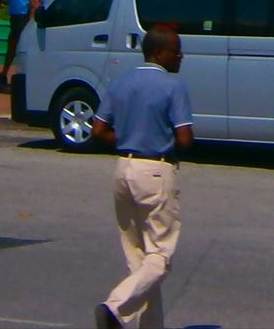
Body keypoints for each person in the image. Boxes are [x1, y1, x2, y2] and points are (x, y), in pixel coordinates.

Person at [90, 26, 193, 329]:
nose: (180, 56)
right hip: (156, 170)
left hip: (124, 167)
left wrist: (127, 137)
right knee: (160, 256)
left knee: (139, 259)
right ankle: (115, 307)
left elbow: (97, 130)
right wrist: (160, 140)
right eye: (176, 50)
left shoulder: (121, 82)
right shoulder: (173, 87)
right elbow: (185, 138)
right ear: (160, 53)